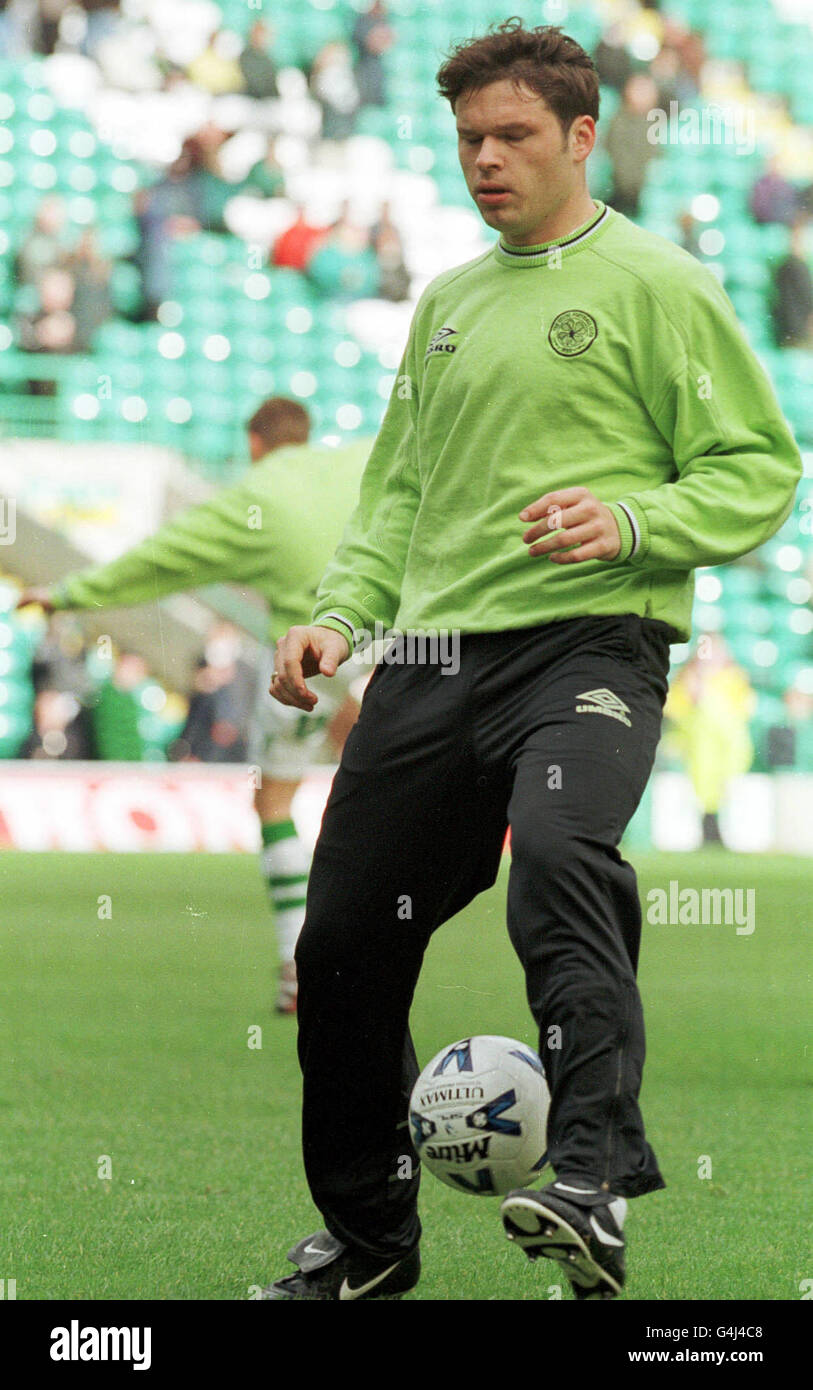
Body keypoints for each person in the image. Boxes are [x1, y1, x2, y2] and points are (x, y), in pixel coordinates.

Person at [265, 19, 802, 1301]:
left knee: (560, 858)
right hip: (435, 658)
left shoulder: (661, 285)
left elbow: (760, 469)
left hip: (589, 647)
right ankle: (372, 1246)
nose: (485, 160)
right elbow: (396, 498)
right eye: (467, 140)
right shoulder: (445, 304)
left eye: (512, 135)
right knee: (339, 944)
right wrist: (339, 617)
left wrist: (630, 520)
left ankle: (591, 1181)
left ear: (581, 135)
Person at [18, 399, 372, 1015]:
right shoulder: (363, 461)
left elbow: (158, 561)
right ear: (309, 435)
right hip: (402, 644)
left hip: (310, 659)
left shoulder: (250, 501)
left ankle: (297, 960)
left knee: (275, 802)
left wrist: (69, 593)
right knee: (387, 798)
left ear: (256, 445)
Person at [664, 635, 755, 845]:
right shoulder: (686, 679)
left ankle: (721, 832)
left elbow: (743, 709)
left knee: (723, 790)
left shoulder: (734, 678)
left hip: (727, 747)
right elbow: (675, 710)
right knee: (700, 790)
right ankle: (706, 831)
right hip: (695, 747)